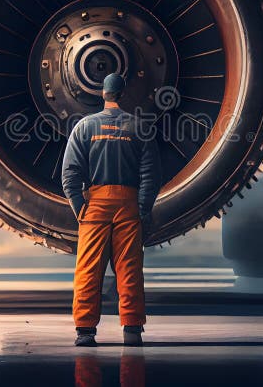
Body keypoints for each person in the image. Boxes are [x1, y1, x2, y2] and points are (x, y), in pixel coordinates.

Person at [61, 73, 161, 347]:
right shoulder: (139, 127)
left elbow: (70, 173)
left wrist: (80, 208)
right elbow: (150, 176)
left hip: (95, 206)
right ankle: (131, 328)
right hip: (128, 205)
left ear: (102, 94)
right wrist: (141, 209)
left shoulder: (84, 127)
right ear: (123, 92)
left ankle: (85, 331)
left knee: (88, 269)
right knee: (129, 268)